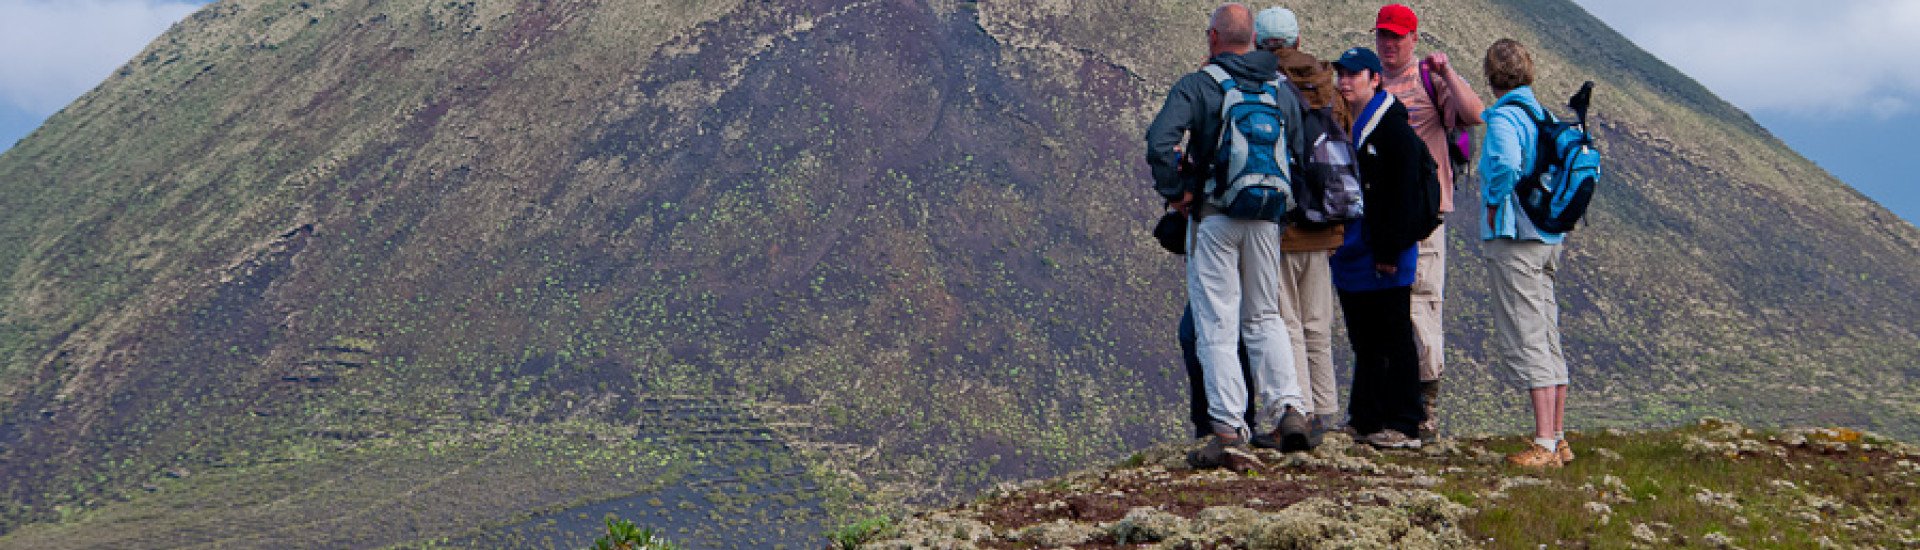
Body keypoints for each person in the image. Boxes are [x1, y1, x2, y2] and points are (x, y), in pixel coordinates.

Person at [1146, 3, 1313, 469]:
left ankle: (1228, 429)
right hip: (1267, 219)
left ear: (1214, 38)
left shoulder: (1200, 84)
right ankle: (1289, 410)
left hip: (1215, 218)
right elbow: (1299, 153)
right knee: (1265, 317)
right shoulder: (1280, 88)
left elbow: (1160, 142)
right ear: (1254, 38)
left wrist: (1177, 193)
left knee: (1217, 323)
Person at [1373, 4, 1485, 437]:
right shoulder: (1371, 82)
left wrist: (1448, 73)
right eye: (1383, 34)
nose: (1389, 43)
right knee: (1382, 306)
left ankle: (1425, 408)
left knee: (1422, 303)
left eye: (1397, 36)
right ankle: (1386, 404)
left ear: (1413, 38)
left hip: (1425, 212)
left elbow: (1475, 114)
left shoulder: (1431, 80)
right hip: (1379, 215)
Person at [1478, 38, 1572, 468]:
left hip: (1515, 237)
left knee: (1527, 332)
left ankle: (1543, 444)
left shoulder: (1503, 119)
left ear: (1491, 76)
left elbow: (1505, 165)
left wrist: (1495, 202)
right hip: (1548, 237)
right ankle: (1558, 436)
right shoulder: (1543, 115)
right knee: (1547, 331)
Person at [1330, 47, 1428, 449]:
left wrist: (1389, 250)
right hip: (1356, 251)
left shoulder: (1392, 129)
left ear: (1375, 79)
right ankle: (1366, 417)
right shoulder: (1350, 123)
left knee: (1394, 334)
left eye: (1354, 74)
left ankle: (1404, 422)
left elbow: (1403, 193)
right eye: (1341, 74)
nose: (1344, 81)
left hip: (1385, 252)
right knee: (1366, 339)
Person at [1254, 6, 1344, 437]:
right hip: (1325, 219)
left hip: (1283, 222)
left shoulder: (1264, 84)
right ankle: (1326, 410)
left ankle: (1300, 414)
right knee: (1317, 323)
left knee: (1285, 321)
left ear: (1259, 41)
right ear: (1298, 38)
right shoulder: (1327, 84)